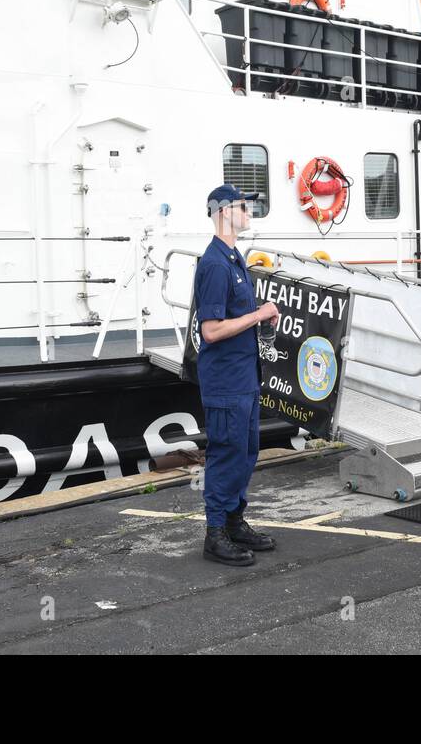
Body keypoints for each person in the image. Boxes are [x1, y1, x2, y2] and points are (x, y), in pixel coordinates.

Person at [193, 184, 280, 566]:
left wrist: (255, 313)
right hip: (226, 380)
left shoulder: (233, 259)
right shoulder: (214, 264)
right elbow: (210, 330)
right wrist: (258, 315)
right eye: (245, 206)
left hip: (243, 376)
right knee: (227, 453)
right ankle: (215, 534)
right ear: (224, 211)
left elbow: (233, 317)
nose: (250, 212)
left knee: (246, 451)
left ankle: (233, 521)